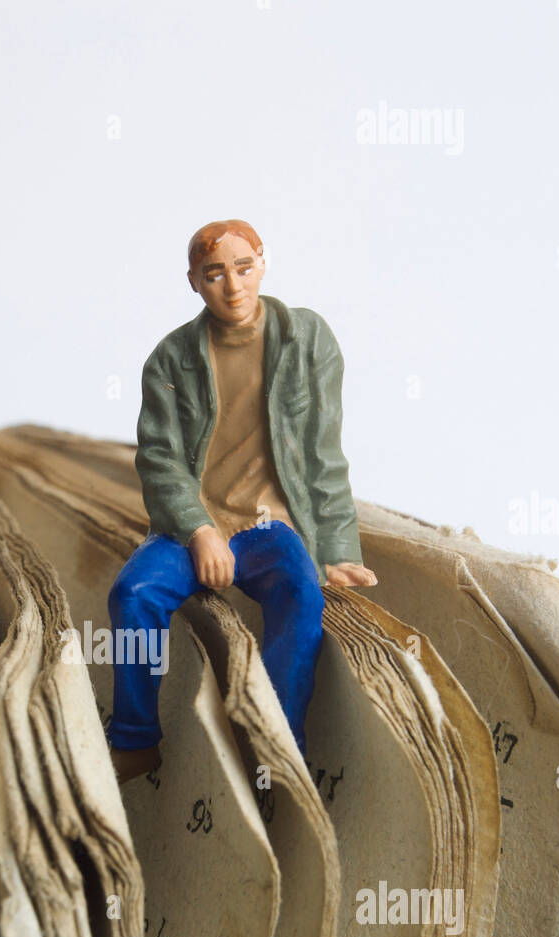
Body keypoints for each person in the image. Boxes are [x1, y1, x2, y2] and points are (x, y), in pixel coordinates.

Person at [106, 219, 377, 784]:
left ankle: (275, 738)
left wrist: (335, 547)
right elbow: (158, 459)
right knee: (132, 594)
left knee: (302, 594)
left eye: (243, 267)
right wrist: (199, 529)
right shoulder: (169, 359)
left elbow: (324, 452)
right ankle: (134, 739)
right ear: (194, 283)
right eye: (215, 274)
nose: (232, 285)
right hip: (192, 528)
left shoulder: (308, 339)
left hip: (270, 525)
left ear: (263, 261)